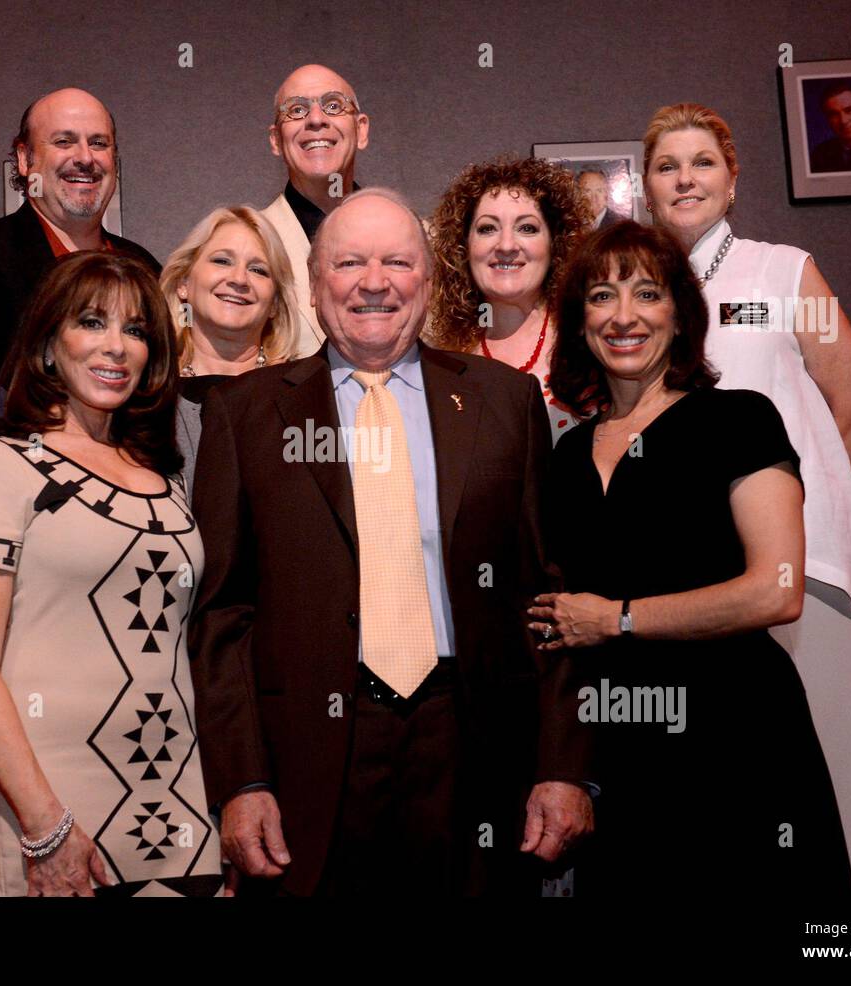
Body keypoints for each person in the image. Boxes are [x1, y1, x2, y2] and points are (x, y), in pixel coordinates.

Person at [190, 188, 593, 897]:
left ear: (430, 283)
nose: (374, 283)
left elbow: (545, 592)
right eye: (349, 263)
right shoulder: (246, 414)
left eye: (397, 263)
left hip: (471, 743)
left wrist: (561, 764)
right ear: (315, 288)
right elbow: (222, 615)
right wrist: (242, 780)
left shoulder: (505, 401)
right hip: (309, 758)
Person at [533, 220, 851, 896]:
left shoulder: (739, 420)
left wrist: (617, 619)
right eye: (600, 297)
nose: (624, 317)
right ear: (578, 321)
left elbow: (777, 589)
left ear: (680, 316)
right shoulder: (563, 456)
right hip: (618, 748)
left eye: (647, 295)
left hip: (736, 734)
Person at [641, 102, 851, 895]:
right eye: (667, 166)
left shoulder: (786, 270)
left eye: (702, 162)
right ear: (646, 186)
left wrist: (798, 522)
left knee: (838, 794)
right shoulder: (635, 292)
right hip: (691, 590)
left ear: (733, 176)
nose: (685, 179)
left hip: (798, 575)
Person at [0, 251, 222, 897]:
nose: (115, 347)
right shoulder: (1, 465)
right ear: (48, 343)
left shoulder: (167, 478)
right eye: (91, 323)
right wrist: (45, 824)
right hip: (58, 814)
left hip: (184, 813)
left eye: (135, 330)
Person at [0, 87, 161, 380]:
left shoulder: (144, 268)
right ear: (24, 158)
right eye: (64, 141)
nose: (85, 158)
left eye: (98, 143)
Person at [428, 156, 590, 443]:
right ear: (464, 246)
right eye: (487, 228)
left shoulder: (590, 342)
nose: (506, 245)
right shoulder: (442, 362)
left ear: (556, 242)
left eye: (526, 228)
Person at [159, 205, 301, 498]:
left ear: (275, 302)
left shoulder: (305, 398)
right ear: (184, 283)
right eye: (222, 261)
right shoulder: (146, 397)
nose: (239, 279)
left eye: (258, 270)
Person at [260, 63, 370, 357]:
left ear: (361, 130)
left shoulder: (421, 240)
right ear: (276, 140)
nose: (316, 119)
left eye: (334, 106)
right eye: (296, 110)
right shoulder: (249, 248)